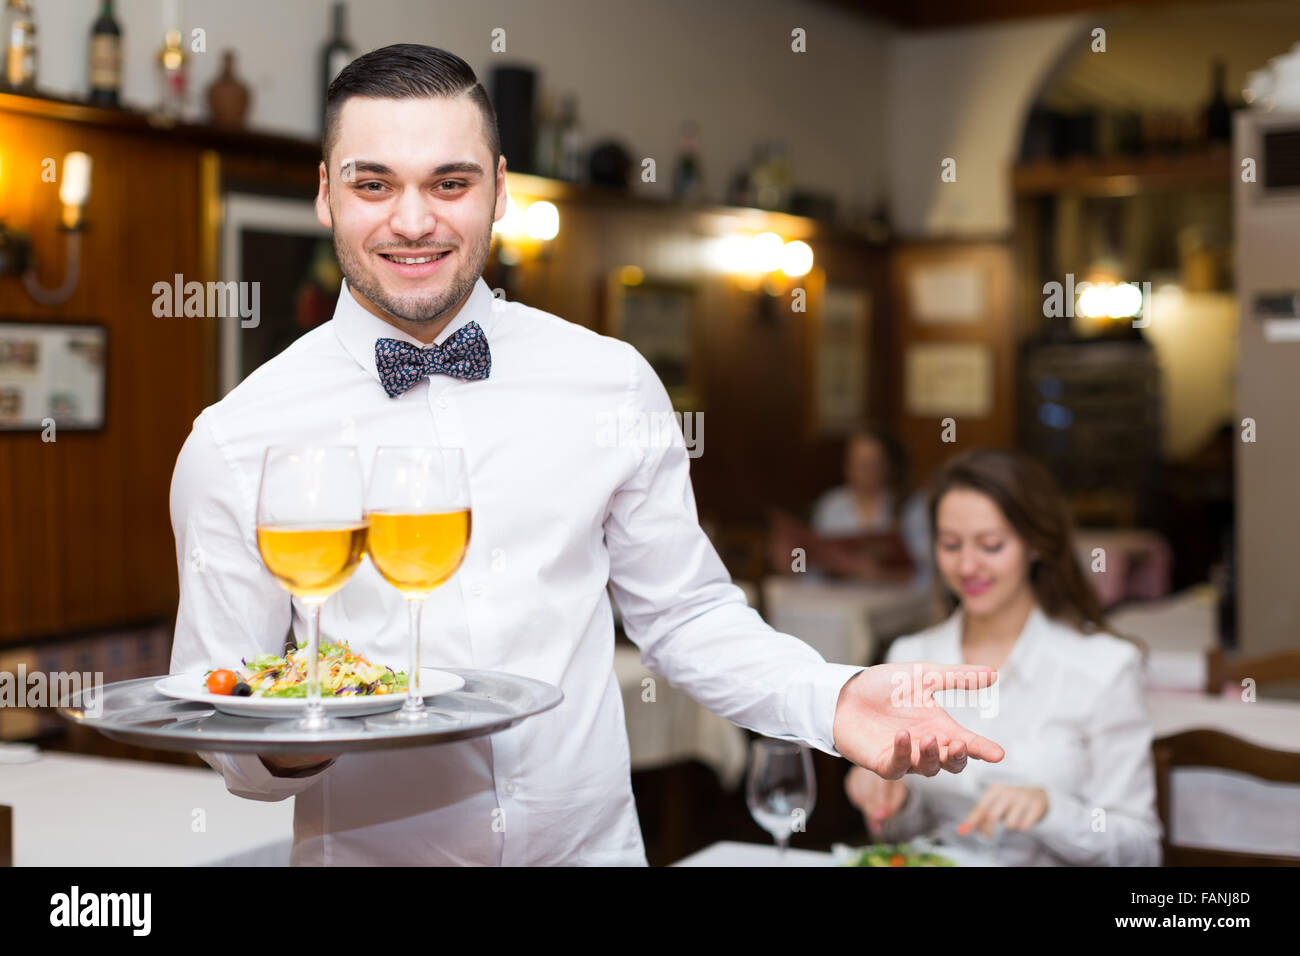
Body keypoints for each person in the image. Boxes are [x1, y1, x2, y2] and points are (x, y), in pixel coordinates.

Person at [168, 43, 1006, 866]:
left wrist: (835, 699)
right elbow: (222, 705)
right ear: (326, 194)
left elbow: (686, 616)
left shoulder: (609, 382)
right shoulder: (236, 440)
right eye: (373, 183)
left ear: (498, 188)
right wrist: (314, 729)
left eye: (450, 183)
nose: (414, 220)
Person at [844, 449, 1162, 866]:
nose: (968, 565)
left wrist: (1050, 810)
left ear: (1034, 544)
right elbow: (904, 837)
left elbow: (1141, 849)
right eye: (951, 545)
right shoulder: (911, 658)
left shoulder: (1105, 667)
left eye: (991, 545)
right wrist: (892, 801)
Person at [810, 428, 931, 586]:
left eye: (870, 463)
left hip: (897, 599)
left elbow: (928, 569)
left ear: (889, 466)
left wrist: (885, 575)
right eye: (855, 462)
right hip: (842, 596)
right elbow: (816, 565)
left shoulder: (911, 505)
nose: (860, 470)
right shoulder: (832, 504)